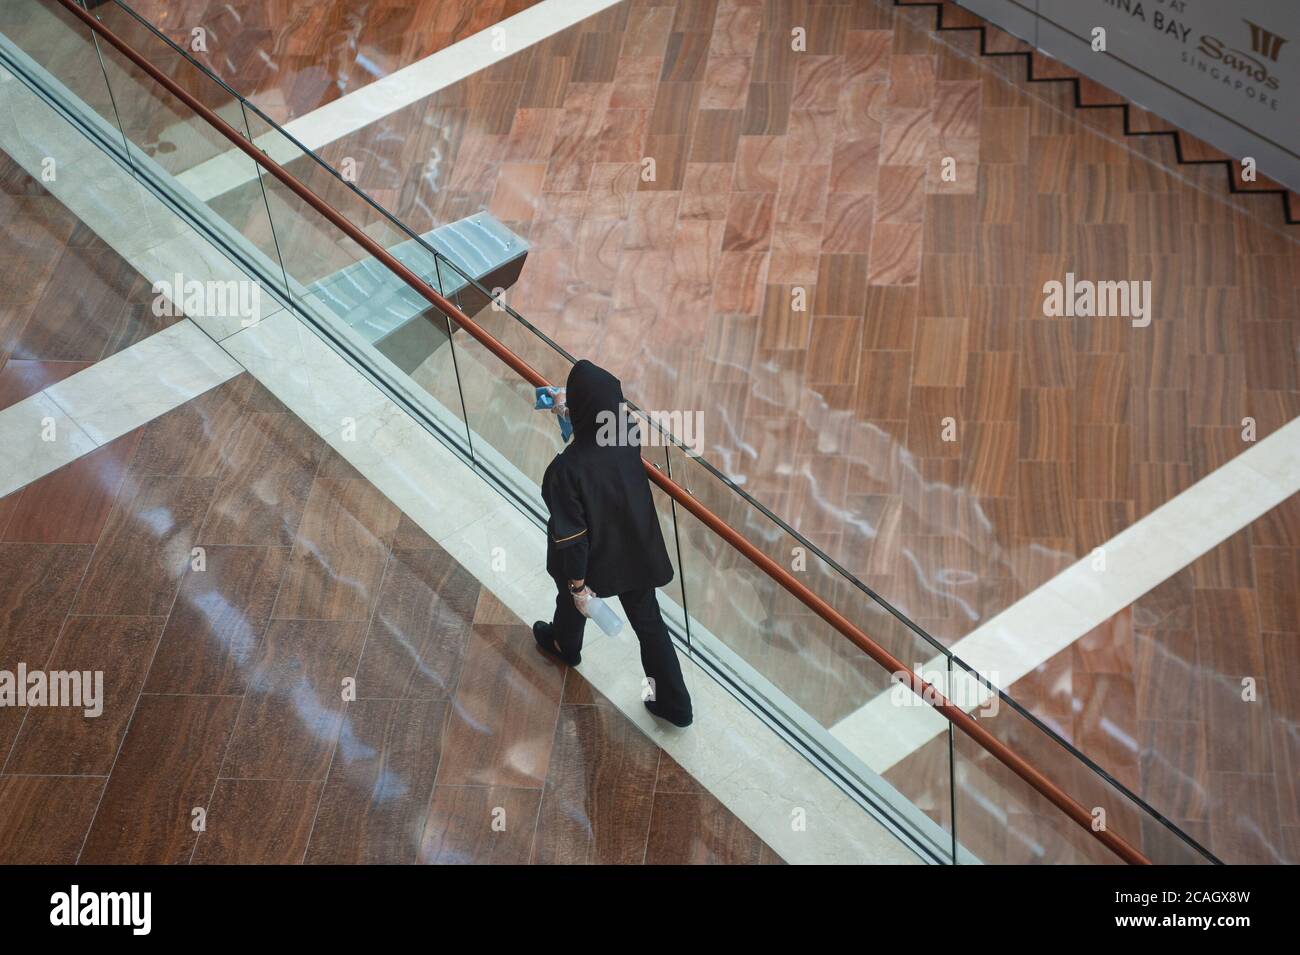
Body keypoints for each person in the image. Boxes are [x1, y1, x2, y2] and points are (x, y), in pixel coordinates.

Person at [533, 359, 693, 727]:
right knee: (649, 625)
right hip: (635, 551)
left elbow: (572, 539)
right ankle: (674, 703)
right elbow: (603, 431)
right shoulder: (627, 434)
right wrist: (570, 411)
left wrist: (577, 586)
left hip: (590, 562)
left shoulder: (563, 472)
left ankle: (565, 646)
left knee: (571, 601)